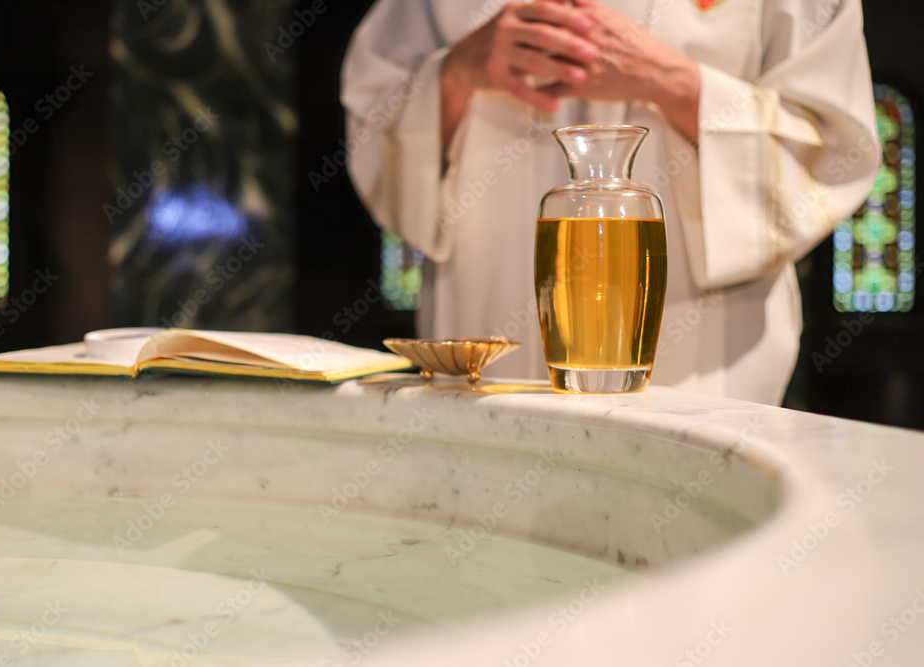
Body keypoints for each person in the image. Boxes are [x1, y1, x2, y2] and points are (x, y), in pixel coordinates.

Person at [340, 0, 879, 404]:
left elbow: (832, 149)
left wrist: (673, 80)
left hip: (698, 347)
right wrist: (454, 74)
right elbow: (373, 115)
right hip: (488, 310)